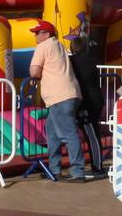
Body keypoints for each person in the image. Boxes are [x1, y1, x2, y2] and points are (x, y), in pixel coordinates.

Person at [28, 20, 87, 183]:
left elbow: (33, 71)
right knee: (52, 133)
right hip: (69, 94)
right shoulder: (59, 45)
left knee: (68, 134)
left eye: (37, 33)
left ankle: (78, 171)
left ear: (46, 34)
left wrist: (37, 75)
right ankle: (54, 169)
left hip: (58, 97)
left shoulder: (43, 46)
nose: (35, 36)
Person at [68, 34, 107, 176]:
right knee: (91, 133)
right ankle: (95, 164)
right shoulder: (91, 60)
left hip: (87, 102)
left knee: (92, 134)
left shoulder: (74, 61)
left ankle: (97, 166)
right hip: (96, 100)